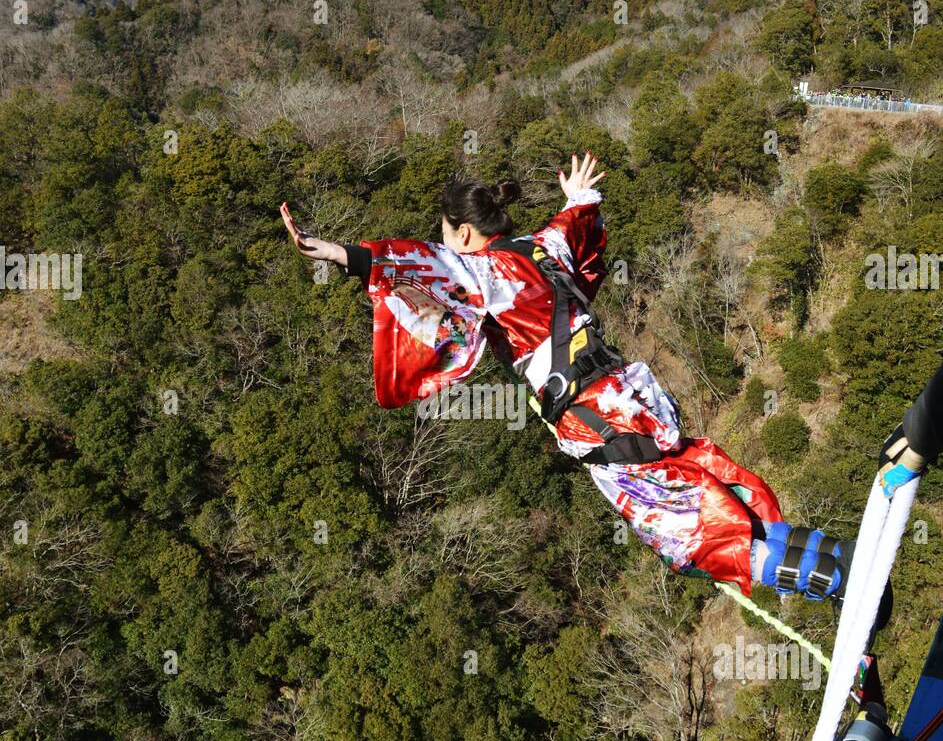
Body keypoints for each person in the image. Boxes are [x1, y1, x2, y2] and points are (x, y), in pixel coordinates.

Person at [280, 154, 890, 607]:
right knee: (699, 480)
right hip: (633, 392)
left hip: (597, 418)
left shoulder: (486, 269)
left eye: (449, 235)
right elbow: (574, 226)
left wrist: (339, 254)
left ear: (463, 233)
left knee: (688, 532)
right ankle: (833, 558)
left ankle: (832, 580)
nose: (449, 247)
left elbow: (424, 266)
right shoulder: (542, 248)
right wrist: (578, 199)